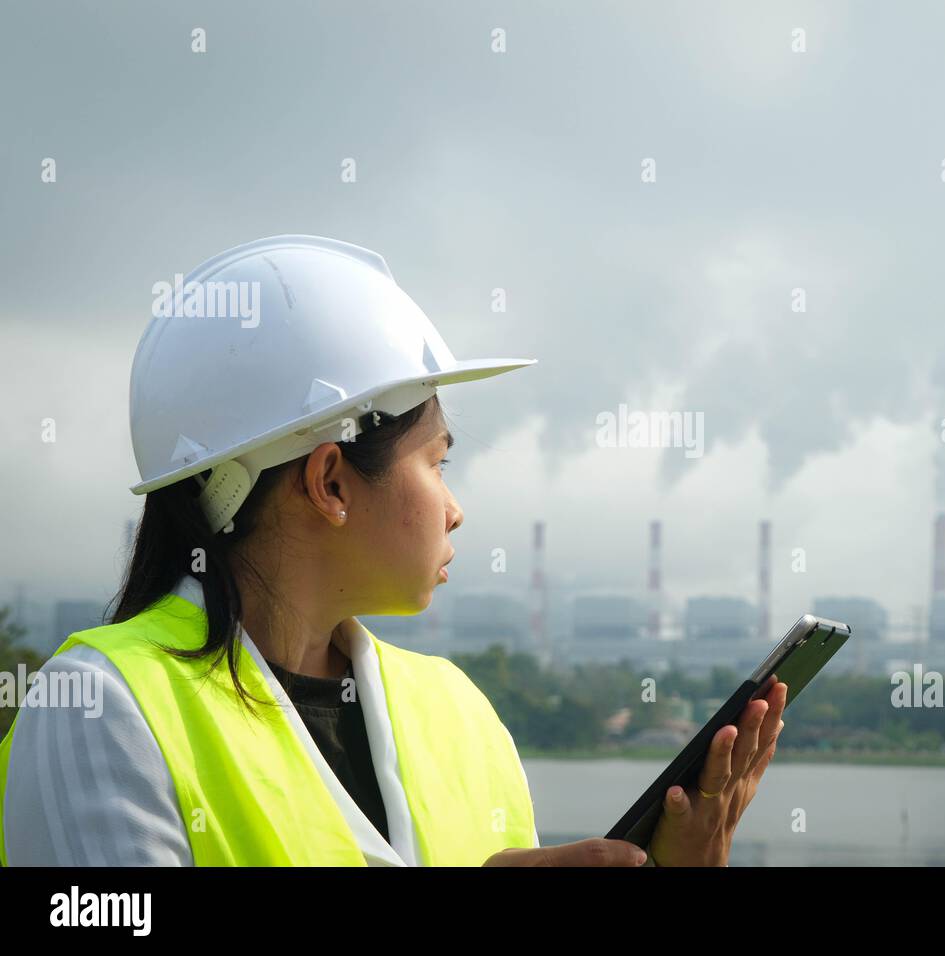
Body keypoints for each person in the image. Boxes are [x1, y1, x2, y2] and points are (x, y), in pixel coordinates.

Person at [0, 235, 787, 867]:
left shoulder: (460, 714)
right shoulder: (101, 712)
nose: (455, 508)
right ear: (331, 481)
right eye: (437, 462)